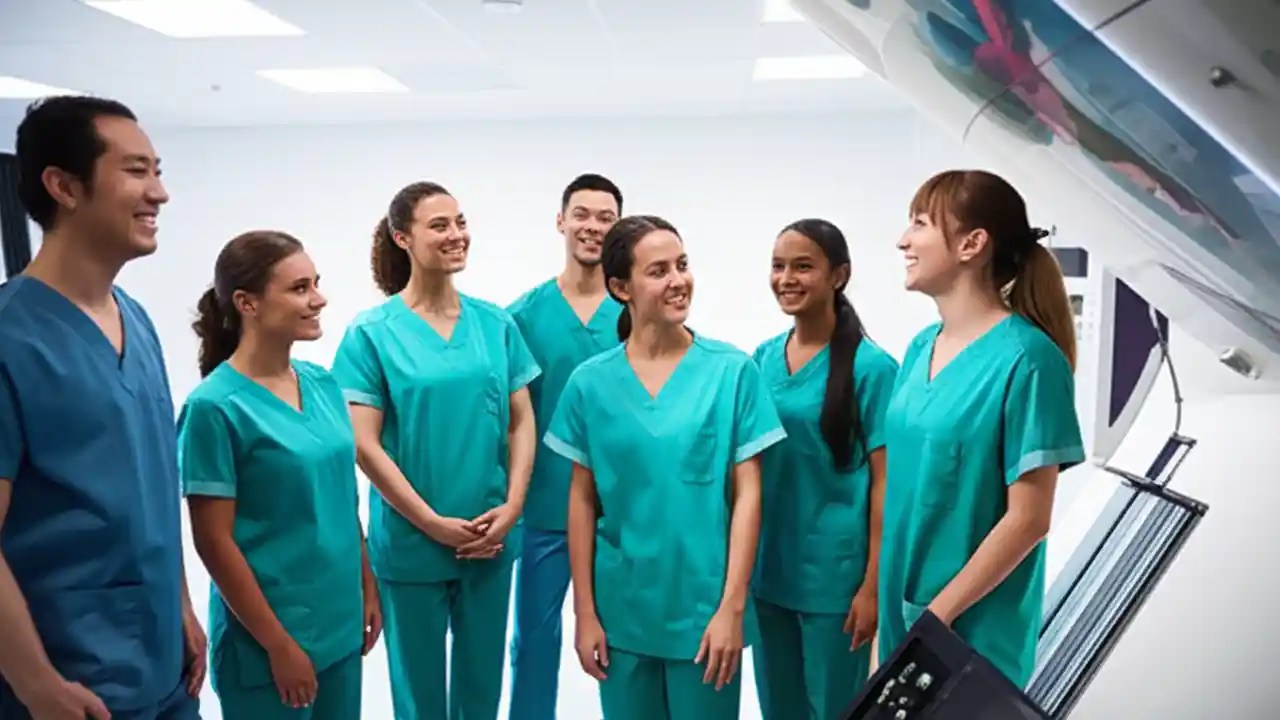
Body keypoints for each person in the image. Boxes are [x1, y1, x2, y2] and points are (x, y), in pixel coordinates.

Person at [0, 96, 206, 719]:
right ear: (63, 186)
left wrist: (182, 607)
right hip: (71, 690)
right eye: (136, 171)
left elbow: (150, 485)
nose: (160, 192)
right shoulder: (12, 338)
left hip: (165, 672)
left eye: (158, 170)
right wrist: (37, 683)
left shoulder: (135, 322)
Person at [545, 215, 786, 720]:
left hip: (703, 615)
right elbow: (582, 501)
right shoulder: (590, 384)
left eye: (682, 264)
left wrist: (732, 608)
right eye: (658, 271)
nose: (679, 280)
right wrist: (584, 612)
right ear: (620, 287)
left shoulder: (731, 371)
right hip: (623, 613)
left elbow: (748, 497)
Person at [332, 181, 540, 720]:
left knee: (480, 694)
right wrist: (432, 523)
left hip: (489, 538)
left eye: (461, 222)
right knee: (419, 699)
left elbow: (521, 421)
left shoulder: (495, 324)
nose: (457, 235)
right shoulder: (372, 333)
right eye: (440, 225)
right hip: (412, 544)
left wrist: (513, 506)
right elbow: (364, 444)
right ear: (402, 237)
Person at [878, 169, 1085, 688]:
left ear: (972, 244)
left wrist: (936, 617)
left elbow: (1029, 519)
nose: (903, 240)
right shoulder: (920, 347)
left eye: (921, 223)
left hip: (969, 631)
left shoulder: (1029, 360)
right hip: (904, 619)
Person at [178, 231, 379, 719]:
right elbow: (214, 544)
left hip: (338, 623)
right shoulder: (214, 408)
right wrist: (278, 646)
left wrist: (367, 585)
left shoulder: (323, 384)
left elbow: (340, 498)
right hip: (268, 644)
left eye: (316, 283)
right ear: (247, 303)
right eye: (300, 288)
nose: (319, 299)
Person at [750, 219, 899, 719]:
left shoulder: (873, 369)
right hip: (770, 574)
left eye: (802, 266)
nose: (786, 278)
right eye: (778, 266)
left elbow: (886, 486)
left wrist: (872, 586)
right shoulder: (763, 360)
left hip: (835, 583)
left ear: (839, 276)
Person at [506, 173, 624, 720]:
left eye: (605, 217)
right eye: (582, 213)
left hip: (621, 514)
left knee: (623, 643)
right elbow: (510, 420)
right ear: (561, 221)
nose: (593, 226)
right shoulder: (523, 317)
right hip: (544, 508)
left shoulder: (635, 313)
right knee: (533, 643)